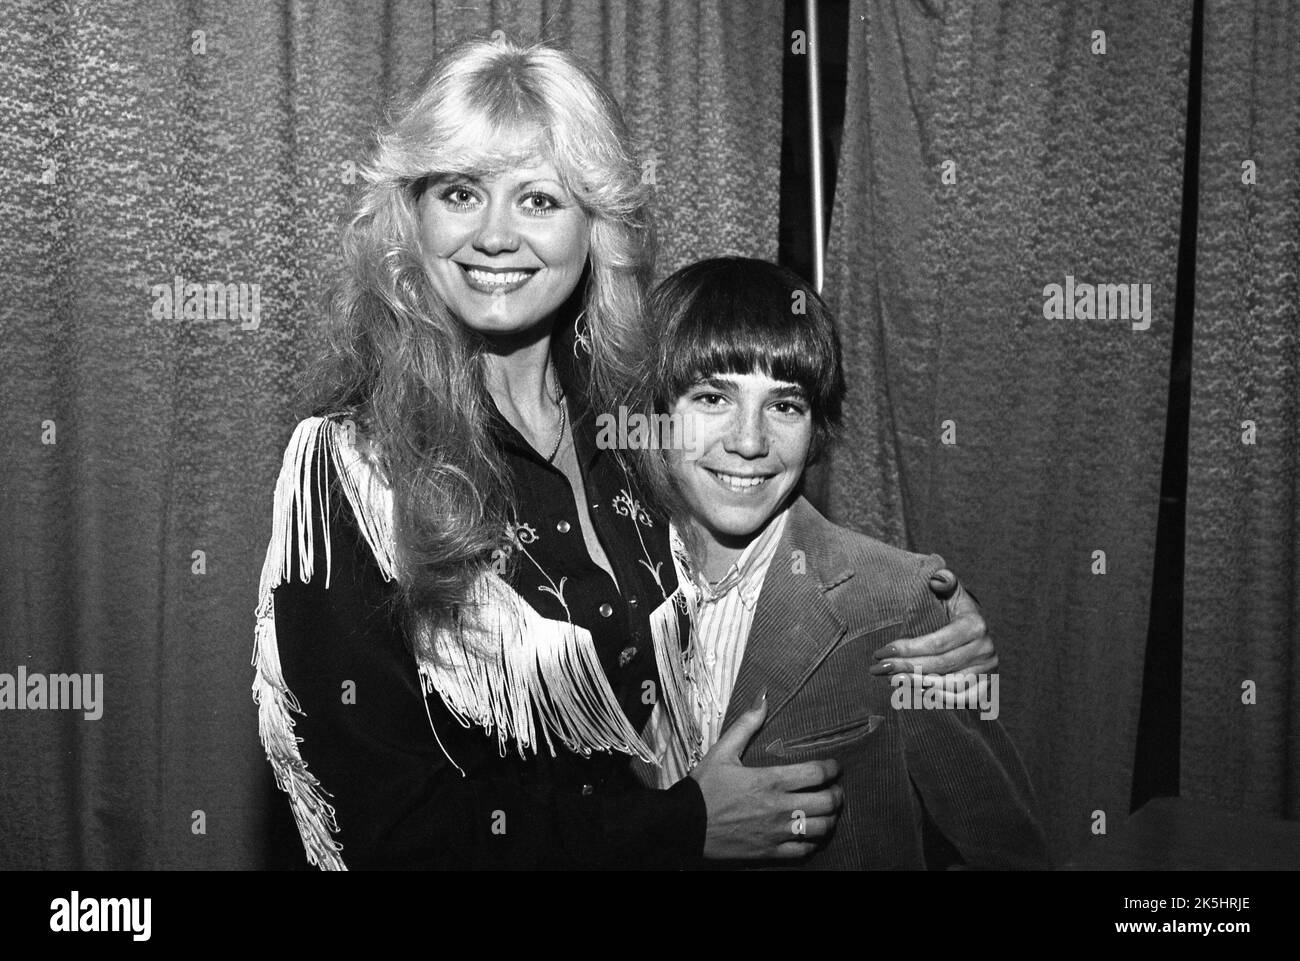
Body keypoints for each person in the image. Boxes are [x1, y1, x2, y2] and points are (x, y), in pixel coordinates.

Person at [251, 37, 996, 870]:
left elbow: (752, 512)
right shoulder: (350, 464)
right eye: (461, 192)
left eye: (538, 200)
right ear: (412, 217)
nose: (495, 234)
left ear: (593, 227)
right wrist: (679, 828)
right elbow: (379, 831)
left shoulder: (629, 411)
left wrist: (918, 604)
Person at [636, 257, 1049, 869]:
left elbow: (1002, 844)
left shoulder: (896, 605)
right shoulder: (601, 576)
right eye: (711, 396)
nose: (749, 442)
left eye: (784, 406)